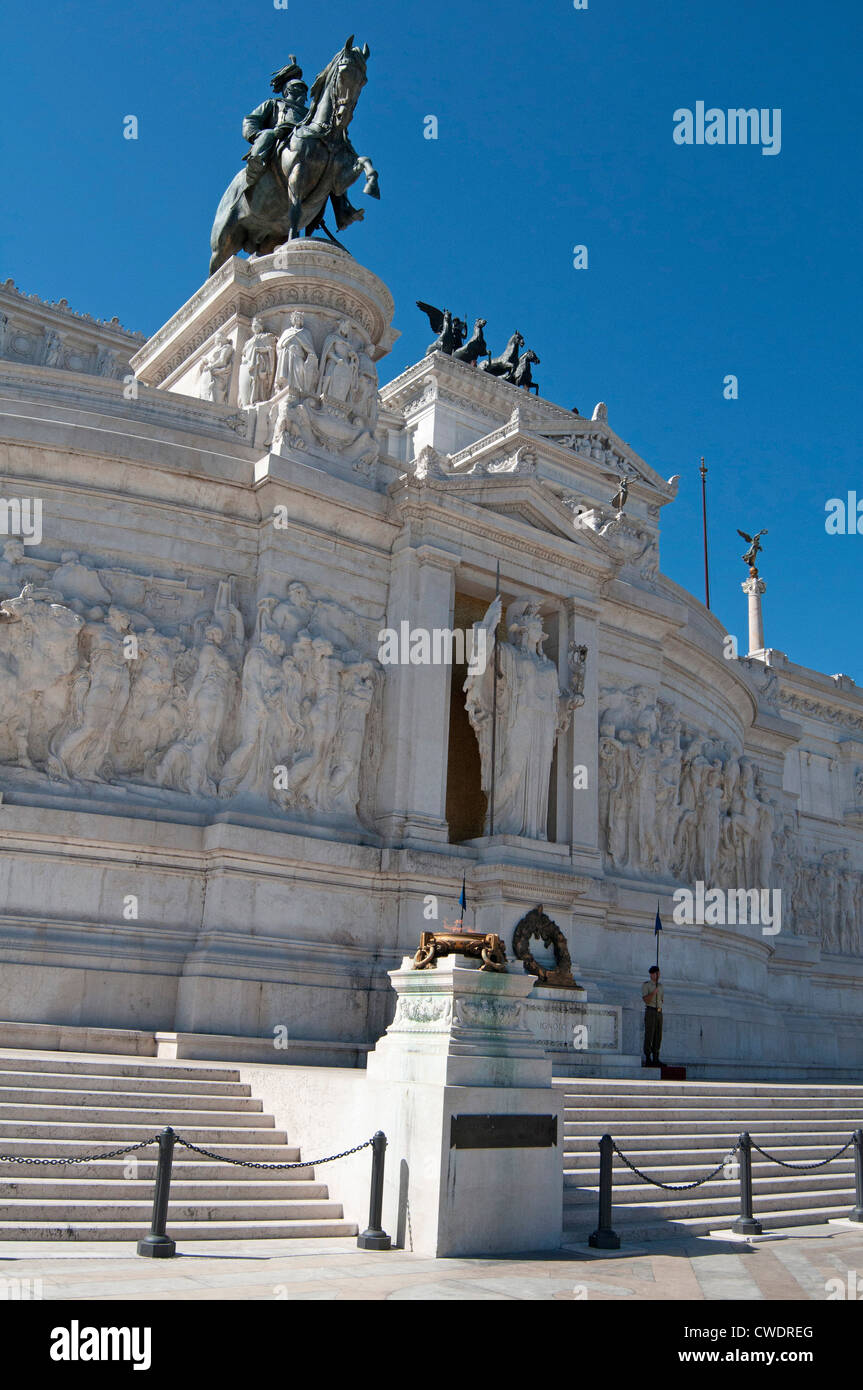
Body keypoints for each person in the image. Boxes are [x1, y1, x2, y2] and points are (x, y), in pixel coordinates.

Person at [242, 58, 309, 189]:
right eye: (298, 88)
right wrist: (256, 134)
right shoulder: (274, 103)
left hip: (305, 141)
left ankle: (342, 205)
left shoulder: (311, 114)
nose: (302, 92)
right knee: (267, 134)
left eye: (304, 89)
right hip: (279, 135)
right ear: (289, 90)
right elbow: (251, 120)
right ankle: (254, 166)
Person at [642, 965, 663, 1067]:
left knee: (658, 1035)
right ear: (651, 974)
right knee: (649, 1034)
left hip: (659, 1012)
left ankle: (656, 1057)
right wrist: (654, 992)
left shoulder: (661, 986)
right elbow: (646, 1000)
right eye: (656, 973)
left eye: (658, 973)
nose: (658, 975)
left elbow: (662, 1000)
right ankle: (648, 1057)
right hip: (650, 1011)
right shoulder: (647, 985)